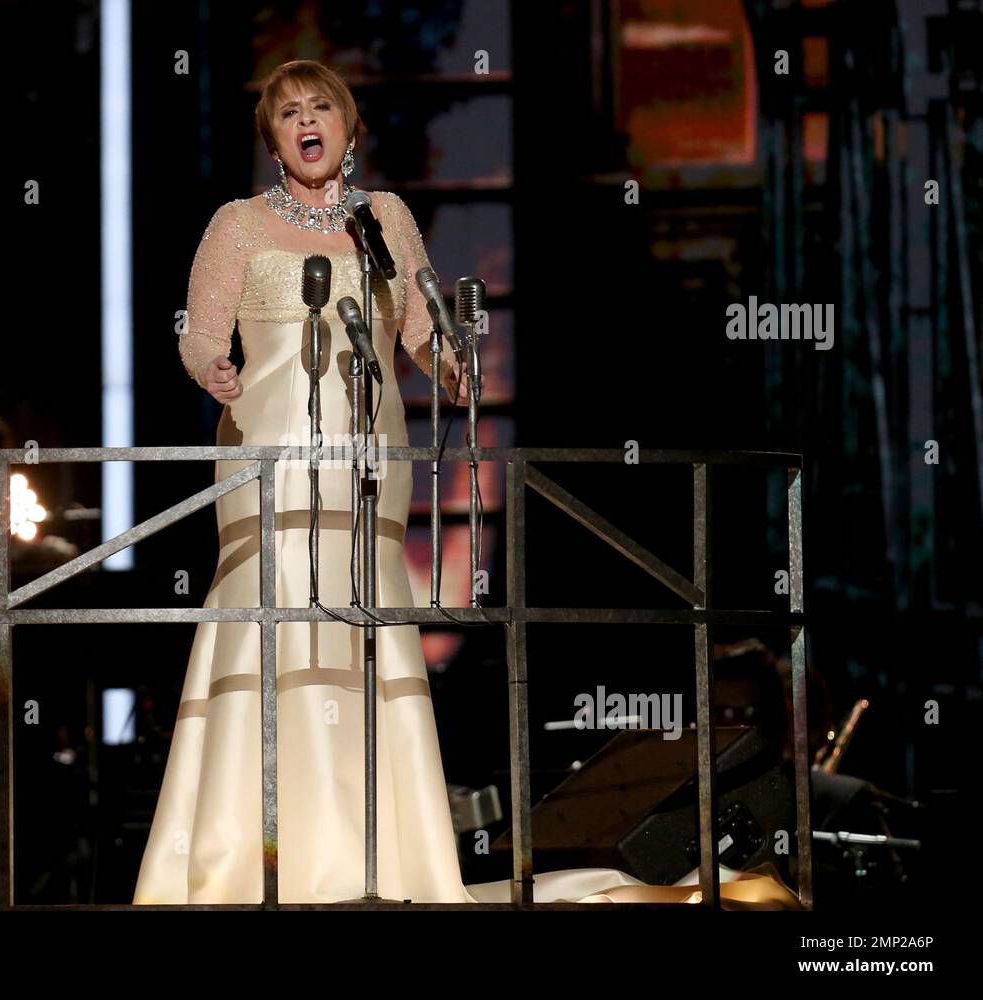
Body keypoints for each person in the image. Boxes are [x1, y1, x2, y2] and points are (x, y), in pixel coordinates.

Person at [132, 61, 797, 908]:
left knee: (362, 627)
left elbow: (420, 323)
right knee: (277, 616)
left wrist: (452, 366)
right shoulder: (237, 224)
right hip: (270, 452)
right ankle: (254, 853)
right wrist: (211, 367)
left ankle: (373, 858)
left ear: (348, 127)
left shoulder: (386, 220)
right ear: (271, 139)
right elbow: (198, 325)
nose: (308, 121)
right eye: (290, 112)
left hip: (369, 460)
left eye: (322, 107)